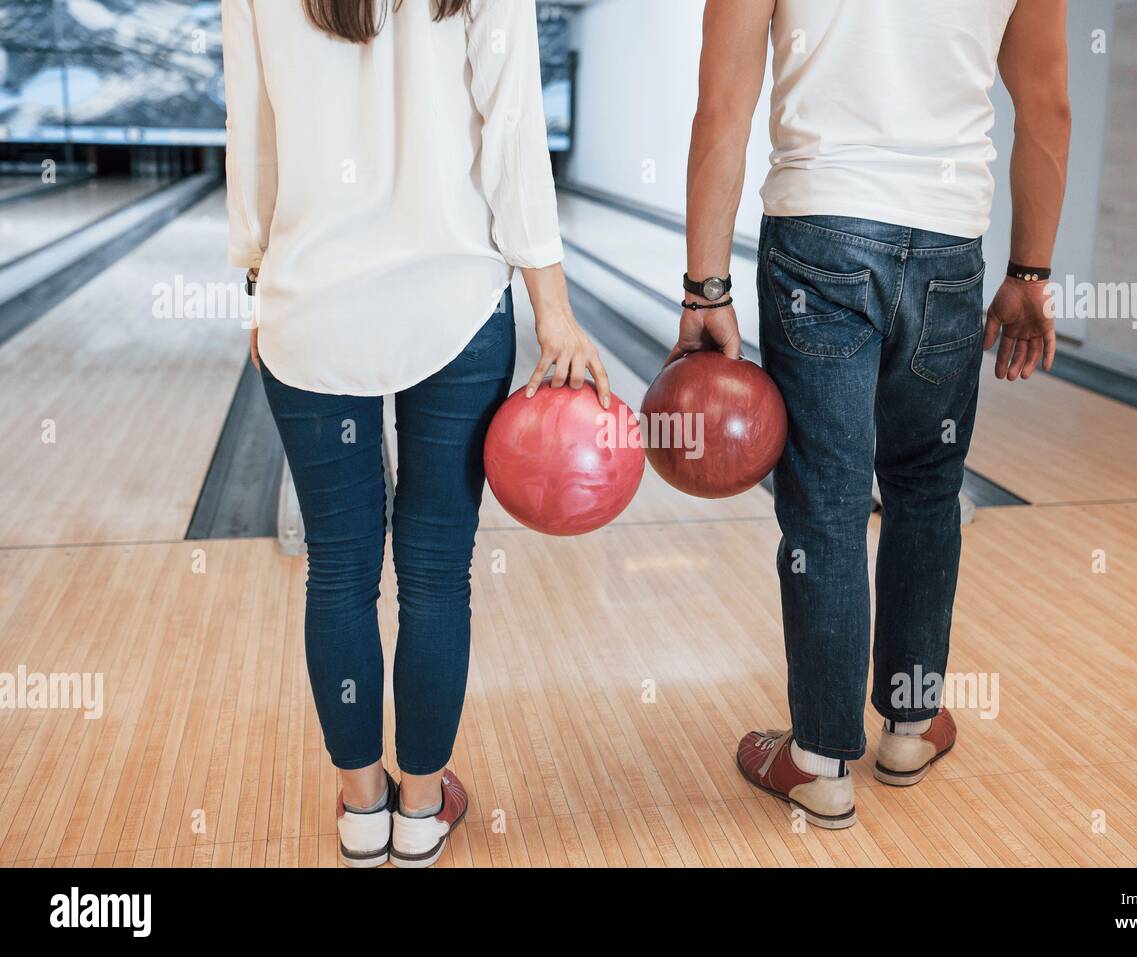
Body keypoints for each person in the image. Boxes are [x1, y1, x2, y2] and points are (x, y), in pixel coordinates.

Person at [221, 0, 610, 867]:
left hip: (314, 307)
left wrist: (260, 275)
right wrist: (554, 310)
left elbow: (249, 123)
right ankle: (423, 809)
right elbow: (510, 122)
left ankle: (363, 810)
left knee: (341, 569)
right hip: (457, 300)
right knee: (437, 571)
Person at [672, 0, 1071, 827]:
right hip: (949, 246)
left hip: (820, 234)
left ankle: (819, 760)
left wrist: (705, 287)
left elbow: (723, 105)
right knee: (927, 486)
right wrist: (1030, 270)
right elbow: (1048, 102)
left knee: (826, 501)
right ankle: (912, 724)